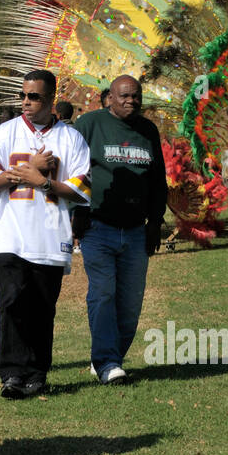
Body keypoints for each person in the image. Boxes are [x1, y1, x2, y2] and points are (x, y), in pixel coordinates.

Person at [0, 69, 91, 399]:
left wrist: (42, 181)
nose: (26, 103)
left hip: (49, 235)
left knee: (42, 307)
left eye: (35, 97)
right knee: (11, 303)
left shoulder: (70, 138)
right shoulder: (4, 133)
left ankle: (37, 372)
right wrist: (27, 168)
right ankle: (12, 373)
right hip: (10, 233)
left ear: (51, 100)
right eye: (23, 96)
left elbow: (81, 189)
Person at [74, 75, 168, 383]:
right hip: (97, 226)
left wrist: (155, 222)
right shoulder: (89, 125)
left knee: (130, 302)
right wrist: (76, 214)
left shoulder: (147, 130)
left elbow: (157, 180)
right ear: (110, 98)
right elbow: (72, 170)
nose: (131, 101)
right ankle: (107, 362)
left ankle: (109, 354)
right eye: (124, 96)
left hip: (136, 230)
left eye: (136, 96)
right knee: (102, 293)